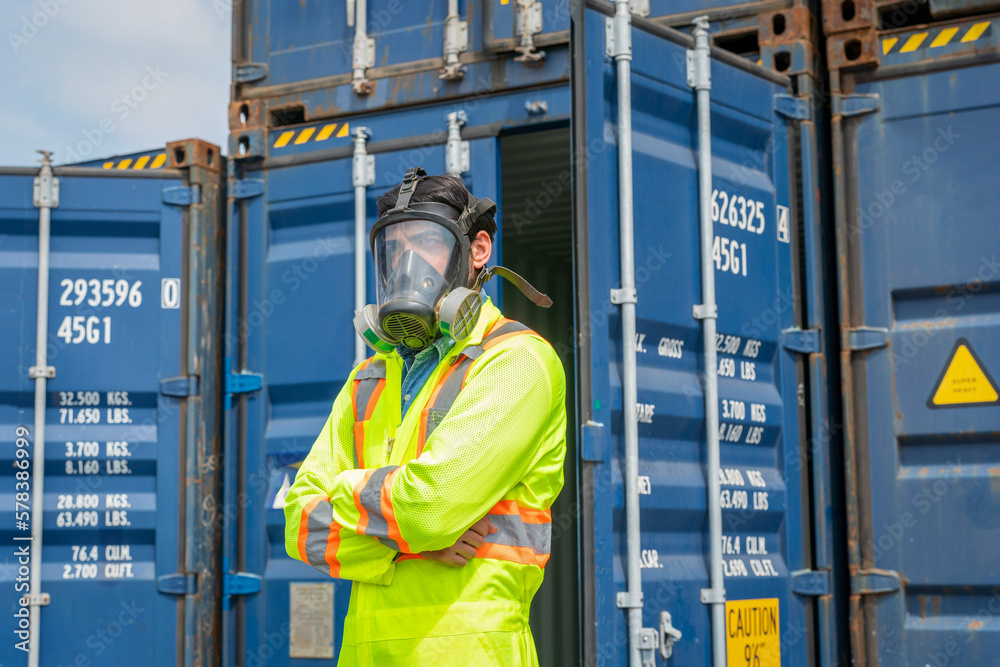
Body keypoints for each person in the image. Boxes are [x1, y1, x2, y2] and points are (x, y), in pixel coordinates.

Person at [283, 167, 567, 666]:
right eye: (394, 248)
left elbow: (429, 508)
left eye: (426, 243)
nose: (407, 263)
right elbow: (298, 523)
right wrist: (407, 546)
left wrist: (351, 496)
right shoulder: (368, 378)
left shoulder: (517, 362)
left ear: (477, 251)